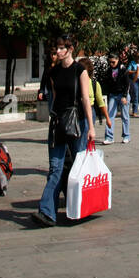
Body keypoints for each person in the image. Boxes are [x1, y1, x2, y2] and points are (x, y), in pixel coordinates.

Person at [34, 34, 94, 227]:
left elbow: (85, 98)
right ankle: (47, 212)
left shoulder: (80, 70)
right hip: (58, 123)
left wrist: (91, 127)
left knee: (78, 166)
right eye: (57, 48)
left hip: (77, 122)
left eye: (62, 48)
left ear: (70, 49)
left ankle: (81, 207)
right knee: (55, 167)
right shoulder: (53, 72)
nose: (58, 51)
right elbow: (54, 97)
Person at [100, 52, 131, 143]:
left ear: (117, 60)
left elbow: (127, 83)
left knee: (125, 115)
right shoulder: (109, 70)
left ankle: (126, 135)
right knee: (110, 115)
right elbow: (107, 82)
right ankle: (109, 137)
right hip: (113, 94)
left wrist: (124, 95)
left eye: (113, 62)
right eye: (110, 62)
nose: (111, 64)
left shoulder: (122, 69)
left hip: (122, 94)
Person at [80, 57, 112, 139]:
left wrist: (107, 118)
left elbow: (101, 103)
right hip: (78, 111)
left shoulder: (94, 84)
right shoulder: (75, 83)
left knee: (87, 135)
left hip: (90, 111)